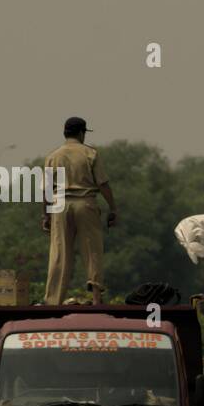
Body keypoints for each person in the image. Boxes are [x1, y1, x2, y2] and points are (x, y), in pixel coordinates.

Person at [43, 116, 117, 304]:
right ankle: (96, 297)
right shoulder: (90, 153)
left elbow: (46, 190)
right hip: (85, 203)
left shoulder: (53, 156)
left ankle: (53, 300)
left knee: (59, 252)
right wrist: (113, 208)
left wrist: (46, 215)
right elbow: (103, 183)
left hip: (59, 205)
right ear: (81, 133)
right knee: (92, 250)